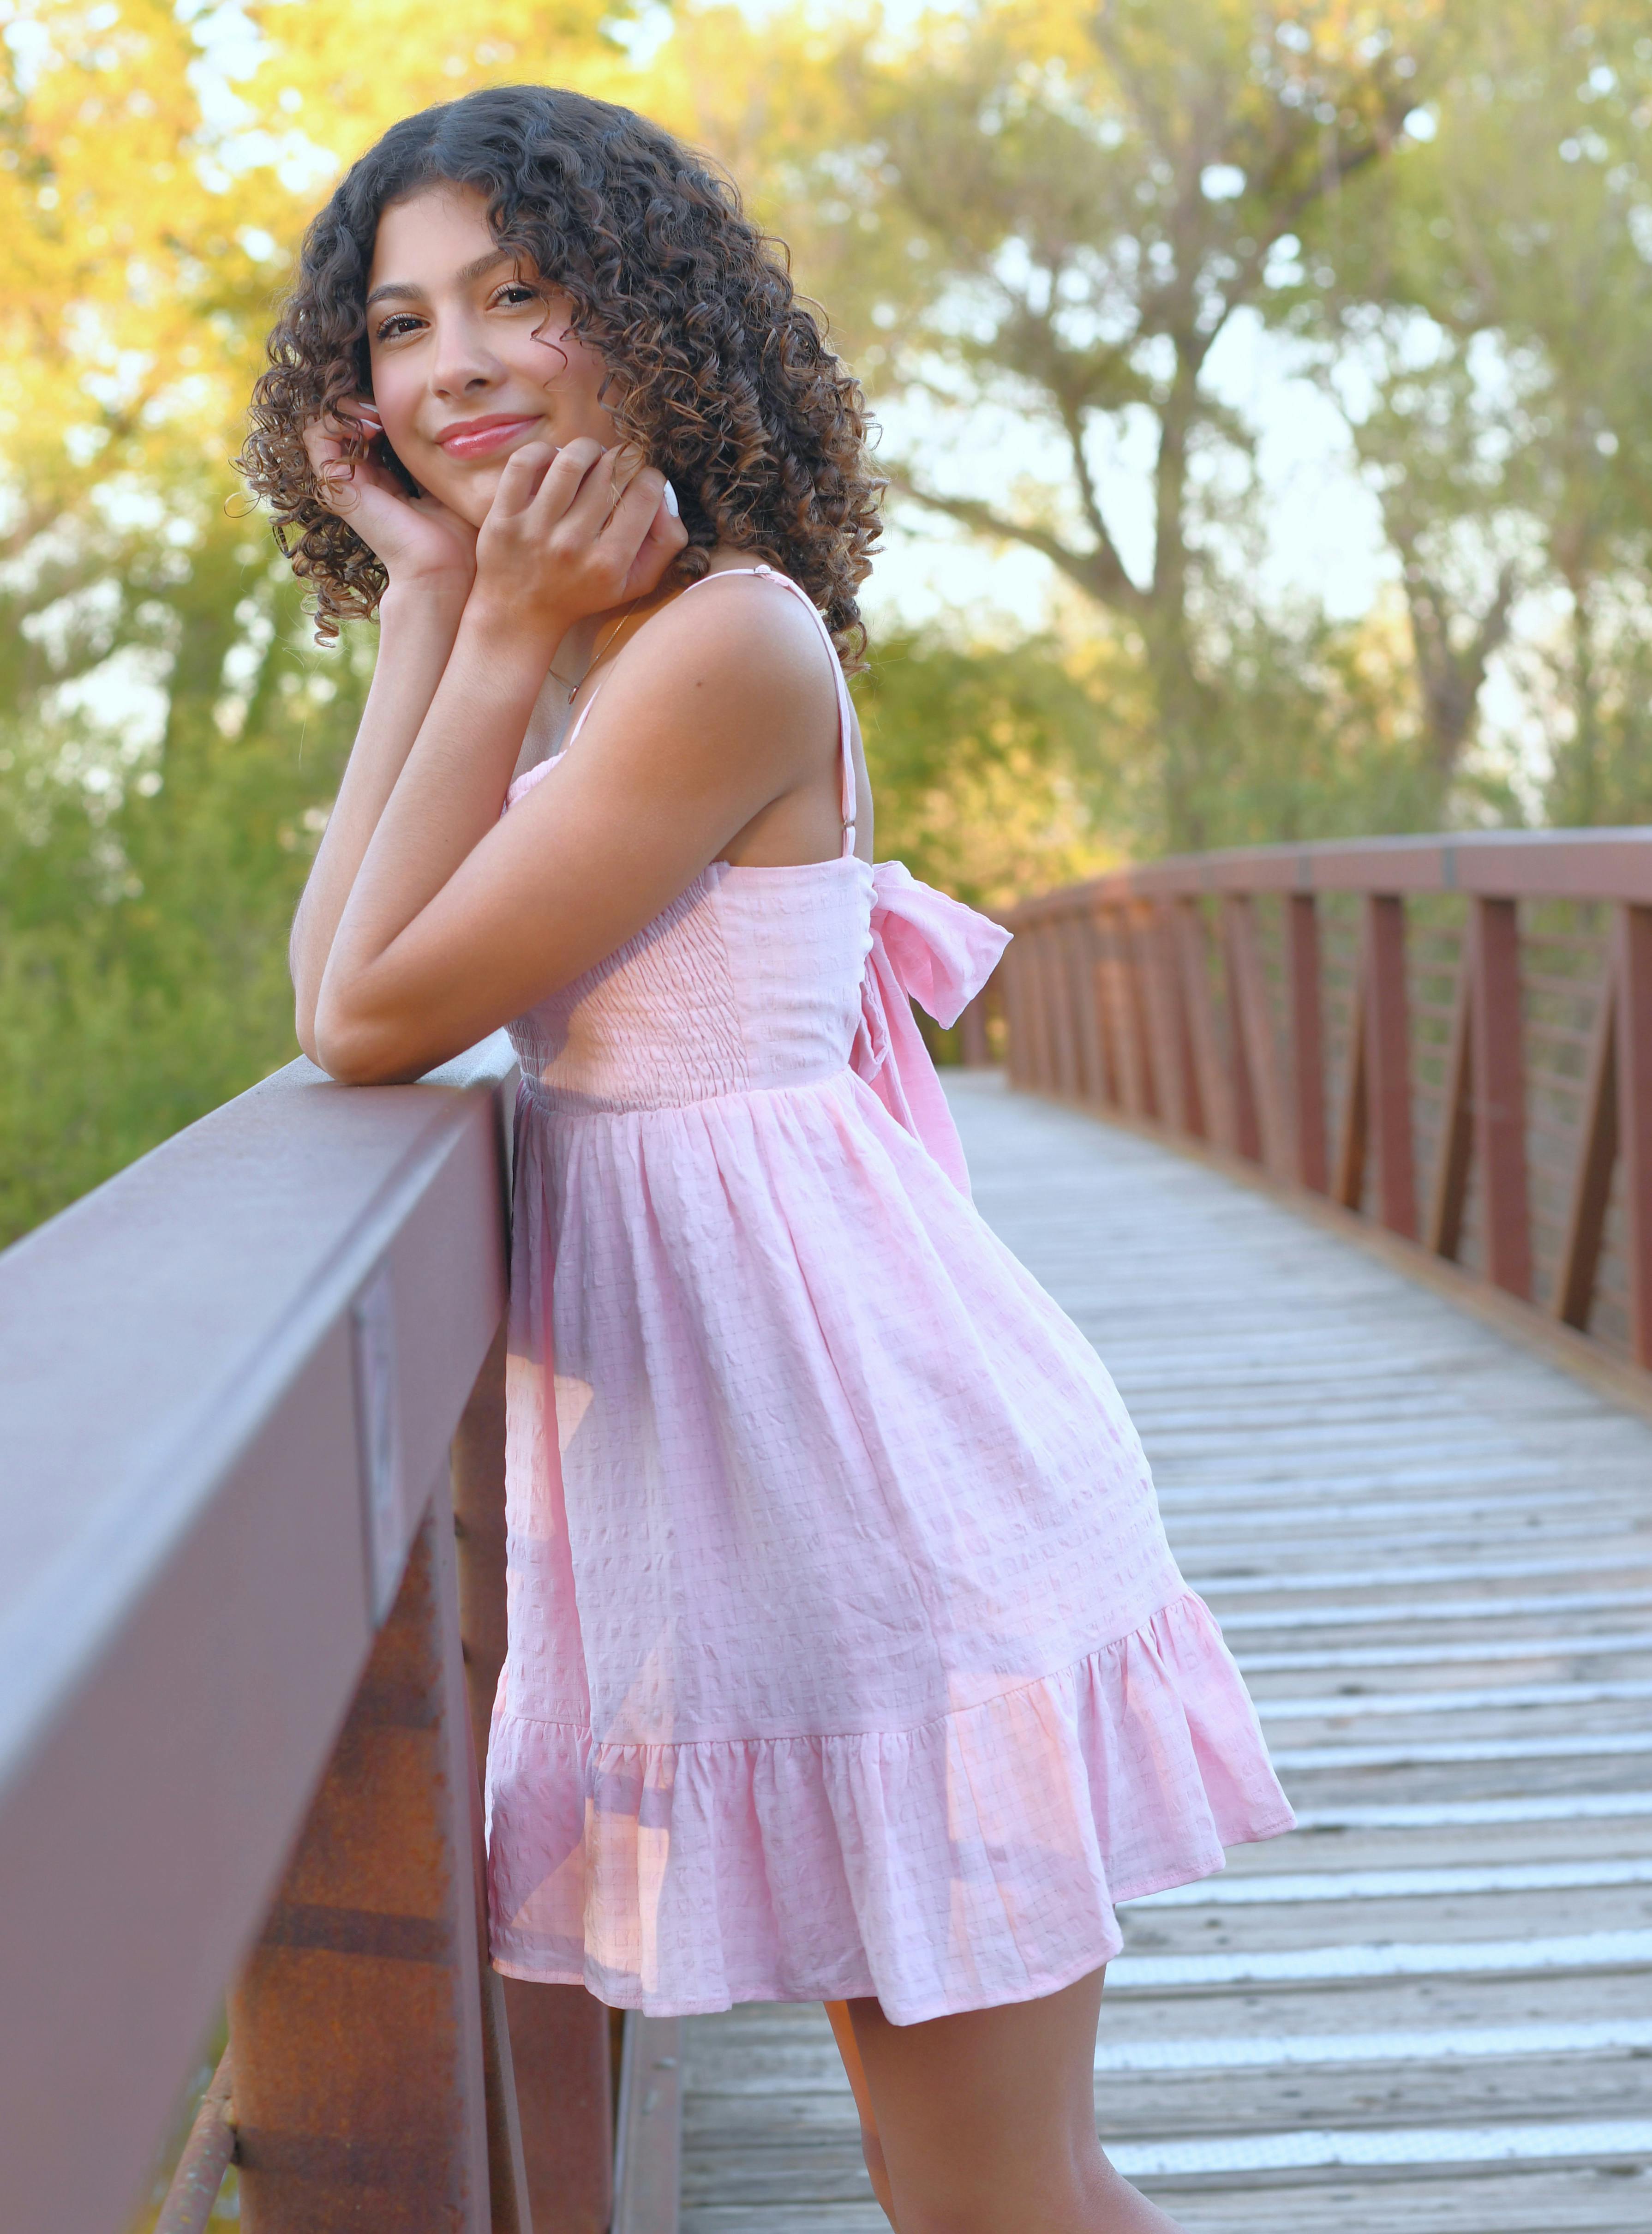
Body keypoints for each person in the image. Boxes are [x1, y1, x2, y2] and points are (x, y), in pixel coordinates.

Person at [239, 84, 1293, 2234]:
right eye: (400, 325)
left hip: (880, 1508)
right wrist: (438, 602)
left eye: (515, 298)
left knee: (993, 2192)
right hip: (762, 1514)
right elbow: (331, 978)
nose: (445, 365)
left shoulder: (721, 641)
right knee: (967, 2191)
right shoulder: (578, 656)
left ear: (647, 319)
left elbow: (374, 1019)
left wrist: (503, 627)